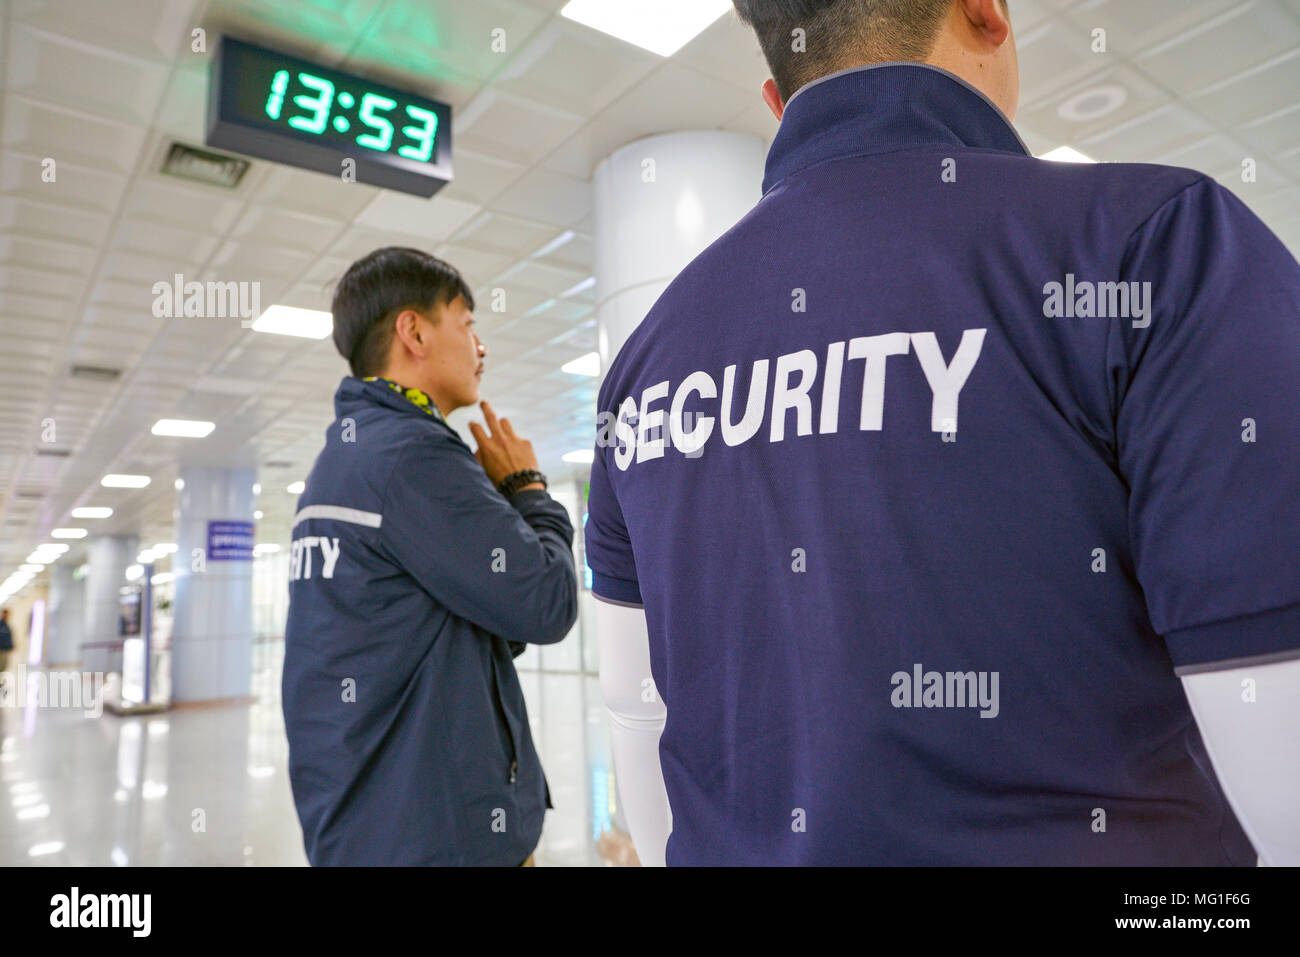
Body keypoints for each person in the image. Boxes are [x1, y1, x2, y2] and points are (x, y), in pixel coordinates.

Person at [586, 0, 1300, 865]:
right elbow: (1275, 712)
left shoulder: (643, 369)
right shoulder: (1154, 246)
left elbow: (635, 707)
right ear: (986, 14)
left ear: (777, 99)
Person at [282, 247, 579, 866]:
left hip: (374, 825)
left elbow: (463, 621)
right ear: (414, 331)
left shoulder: (342, 459)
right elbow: (547, 603)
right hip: (439, 839)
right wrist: (528, 489)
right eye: (468, 323)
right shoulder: (412, 457)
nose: (481, 346)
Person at [0, 609, 12, 674]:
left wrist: (11, 646)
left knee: (3, 667)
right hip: (1, 650)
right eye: (5, 614)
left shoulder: (7, 626)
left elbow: (9, 637)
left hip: (5, 650)